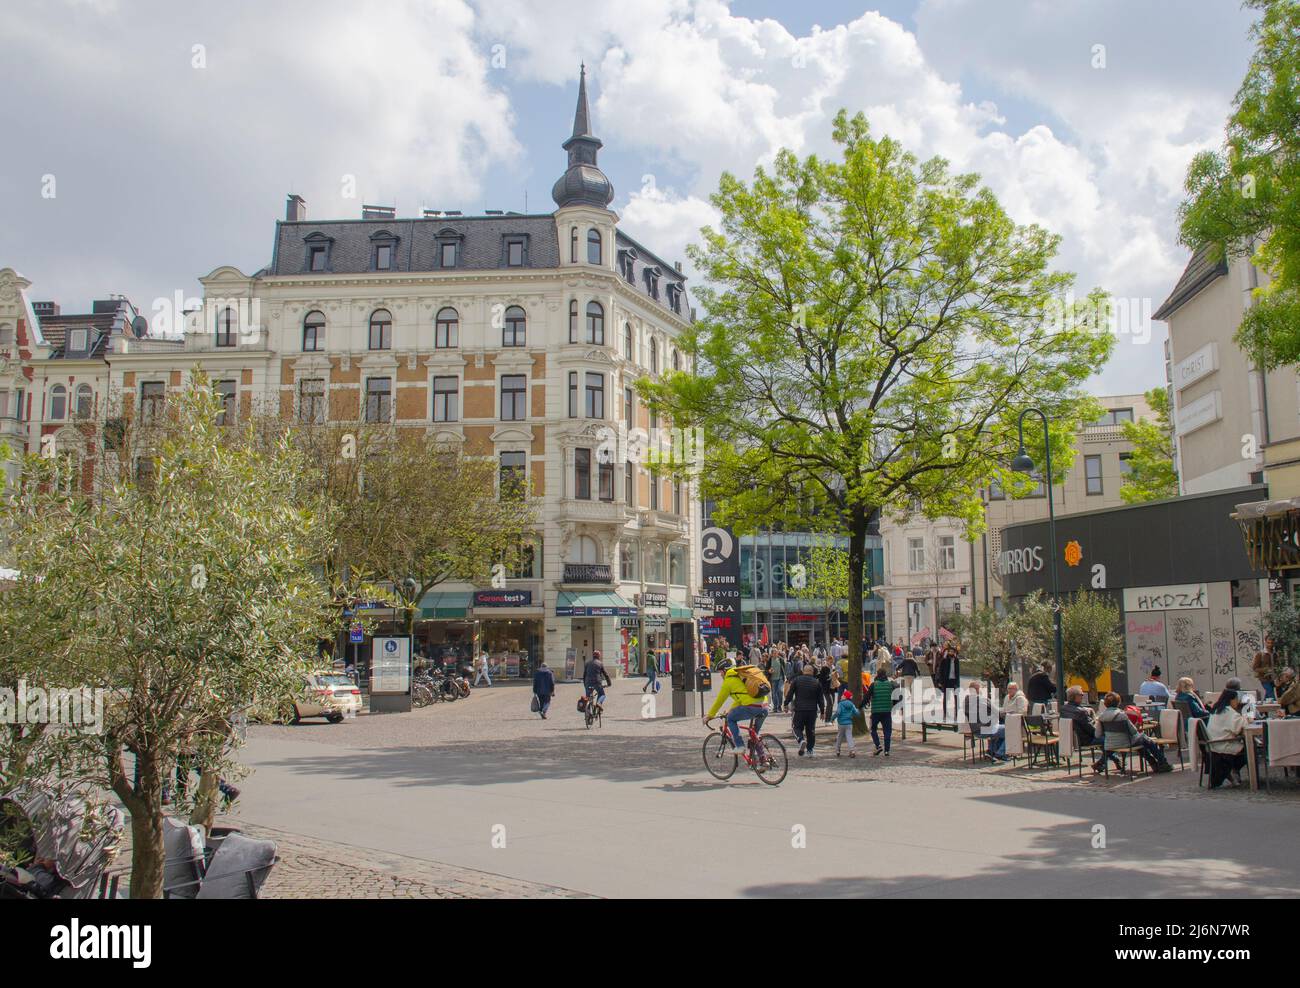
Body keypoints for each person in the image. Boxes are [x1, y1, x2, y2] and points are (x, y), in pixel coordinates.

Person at [703, 657, 770, 755]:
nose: (720, 675)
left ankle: (740, 746)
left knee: (730, 719)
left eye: (721, 672)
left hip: (752, 707)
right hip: (764, 706)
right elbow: (741, 699)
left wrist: (709, 715)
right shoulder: (740, 676)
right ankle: (763, 759)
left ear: (725, 670)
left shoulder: (728, 681)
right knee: (754, 734)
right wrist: (731, 709)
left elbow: (719, 701)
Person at [1097, 692, 1173, 773]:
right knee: (1144, 739)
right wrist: (1137, 724)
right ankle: (1163, 763)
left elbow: (1097, 734)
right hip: (1126, 743)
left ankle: (1154, 764)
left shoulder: (1101, 717)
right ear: (1118, 703)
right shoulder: (1122, 715)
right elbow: (1133, 732)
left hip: (1109, 744)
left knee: (1141, 743)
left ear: (1105, 704)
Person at [1059, 685, 1123, 773]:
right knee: (1110, 739)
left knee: (1106, 740)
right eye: (1081, 694)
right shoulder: (1081, 712)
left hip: (1075, 739)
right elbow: (1093, 731)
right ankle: (1101, 763)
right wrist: (1100, 724)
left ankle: (1115, 761)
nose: (1083, 696)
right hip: (1087, 739)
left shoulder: (1063, 709)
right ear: (1076, 696)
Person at [1206, 688, 1249, 788]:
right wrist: (1247, 718)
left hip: (1213, 745)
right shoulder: (1229, 712)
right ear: (1231, 700)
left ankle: (1231, 773)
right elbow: (1239, 728)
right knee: (1252, 749)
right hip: (1224, 745)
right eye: (1236, 699)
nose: (1237, 702)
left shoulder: (1217, 709)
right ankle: (1236, 770)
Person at [785, 662, 825, 757]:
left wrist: (786, 704)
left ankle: (801, 740)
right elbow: (821, 699)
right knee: (811, 730)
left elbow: (790, 694)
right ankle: (810, 750)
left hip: (799, 709)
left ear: (803, 671)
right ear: (812, 672)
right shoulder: (817, 682)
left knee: (796, 728)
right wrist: (823, 712)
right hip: (812, 711)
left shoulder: (797, 680)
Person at [866, 661, 896, 755]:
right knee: (887, 731)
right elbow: (896, 696)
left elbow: (867, 697)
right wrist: (894, 705)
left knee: (873, 729)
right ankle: (887, 750)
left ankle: (878, 745)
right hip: (887, 711)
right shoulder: (890, 684)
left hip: (876, 711)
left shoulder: (874, 684)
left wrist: (861, 705)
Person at [935, 646, 960, 721]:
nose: (951, 653)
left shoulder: (956, 660)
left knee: (956, 698)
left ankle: (956, 715)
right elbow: (940, 671)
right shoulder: (945, 660)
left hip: (954, 681)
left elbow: (958, 672)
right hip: (947, 681)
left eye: (953, 651)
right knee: (945, 698)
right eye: (950, 651)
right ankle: (945, 714)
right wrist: (940, 682)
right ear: (948, 652)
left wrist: (957, 683)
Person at [833, 688, 858, 757]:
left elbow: (838, 712)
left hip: (841, 723)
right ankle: (852, 750)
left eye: (842, 695)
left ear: (845, 697)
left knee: (839, 737)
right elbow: (856, 713)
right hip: (849, 723)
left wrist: (832, 718)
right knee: (849, 737)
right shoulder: (852, 704)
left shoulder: (840, 704)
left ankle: (837, 750)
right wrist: (854, 713)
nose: (841, 696)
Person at [770, 648, 787, 713]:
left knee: (780, 691)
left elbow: (784, 668)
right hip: (773, 679)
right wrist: (769, 671)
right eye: (774, 653)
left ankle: (779, 706)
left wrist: (785, 676)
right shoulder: (770, 660)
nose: (775, 654)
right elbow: (767, 669)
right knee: (774, 693)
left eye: (776, 653)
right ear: (771, 654)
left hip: (780, 678)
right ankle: (775, 707)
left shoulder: (780, 659)